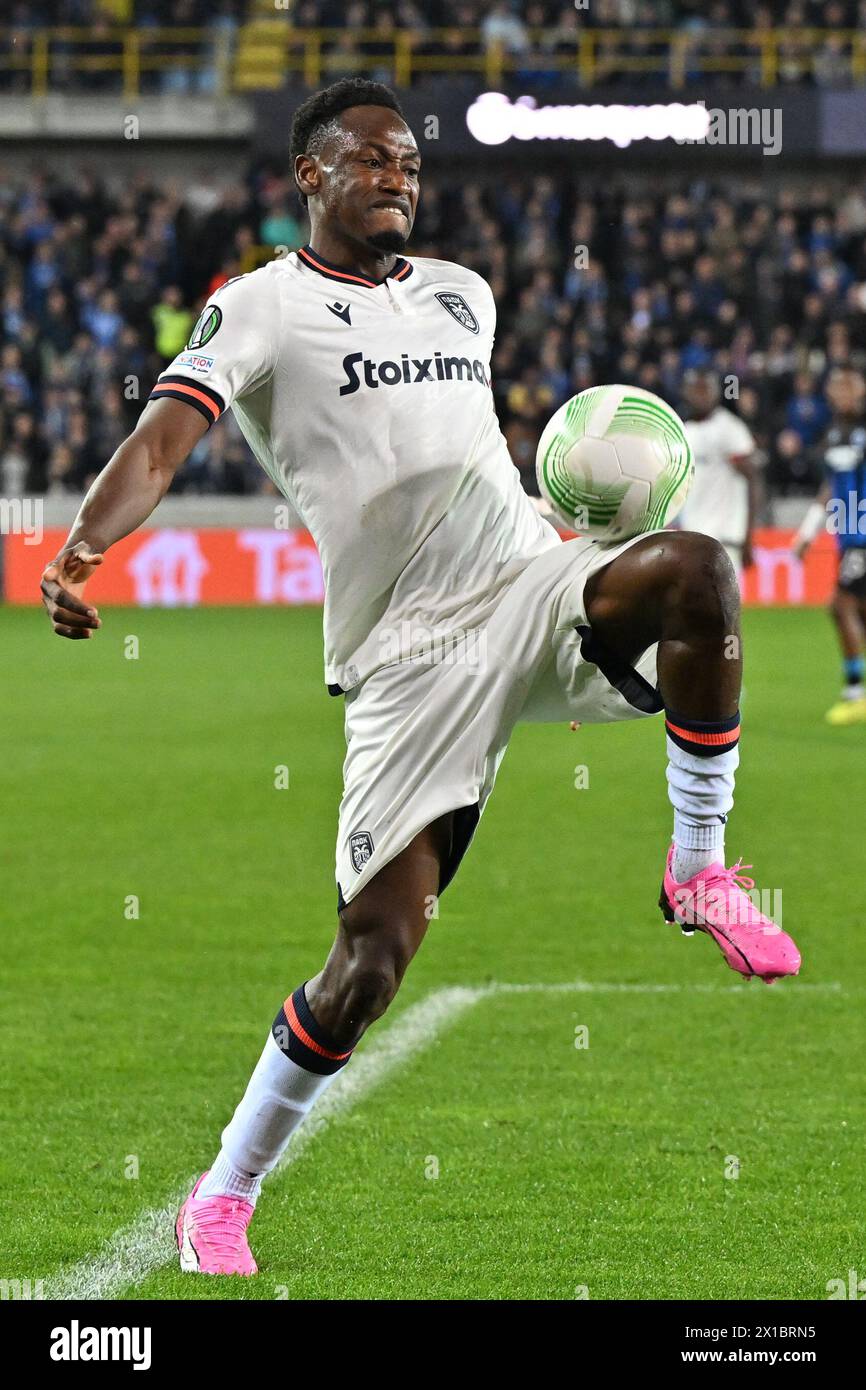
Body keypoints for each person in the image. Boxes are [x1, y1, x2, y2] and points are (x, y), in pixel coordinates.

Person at [40, 78, 801, 1279]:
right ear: (309, 177)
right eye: (369, 160)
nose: (397, 176)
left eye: (407, 161)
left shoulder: (463, 296)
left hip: (527, 587)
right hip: (407, 657)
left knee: (699, 570)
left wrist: (567, 504)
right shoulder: (256, 309)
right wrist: (85, 541)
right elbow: (162, 439)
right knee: (369, 963)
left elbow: (460, 459)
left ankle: (697, 868)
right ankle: (222, 1192)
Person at [793, 365, 866, 725]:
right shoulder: (834, 433)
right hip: (847, 537)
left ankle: (855, 693)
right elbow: (829, 488)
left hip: (864, 539)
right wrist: (807, 533)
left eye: (850, 384)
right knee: (859, 612)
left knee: (840, 605)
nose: (844, 391)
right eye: (838, 385)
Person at [677, 369, 760, 584]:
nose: (701, 395)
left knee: (725, 611)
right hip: (692, 537)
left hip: (725, 539)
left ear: (716, 392)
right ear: (686, 392)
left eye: (706, 389)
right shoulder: (686, 431)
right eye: (696, 389)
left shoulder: (729, 428)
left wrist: (749, 536)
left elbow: (752, 479)